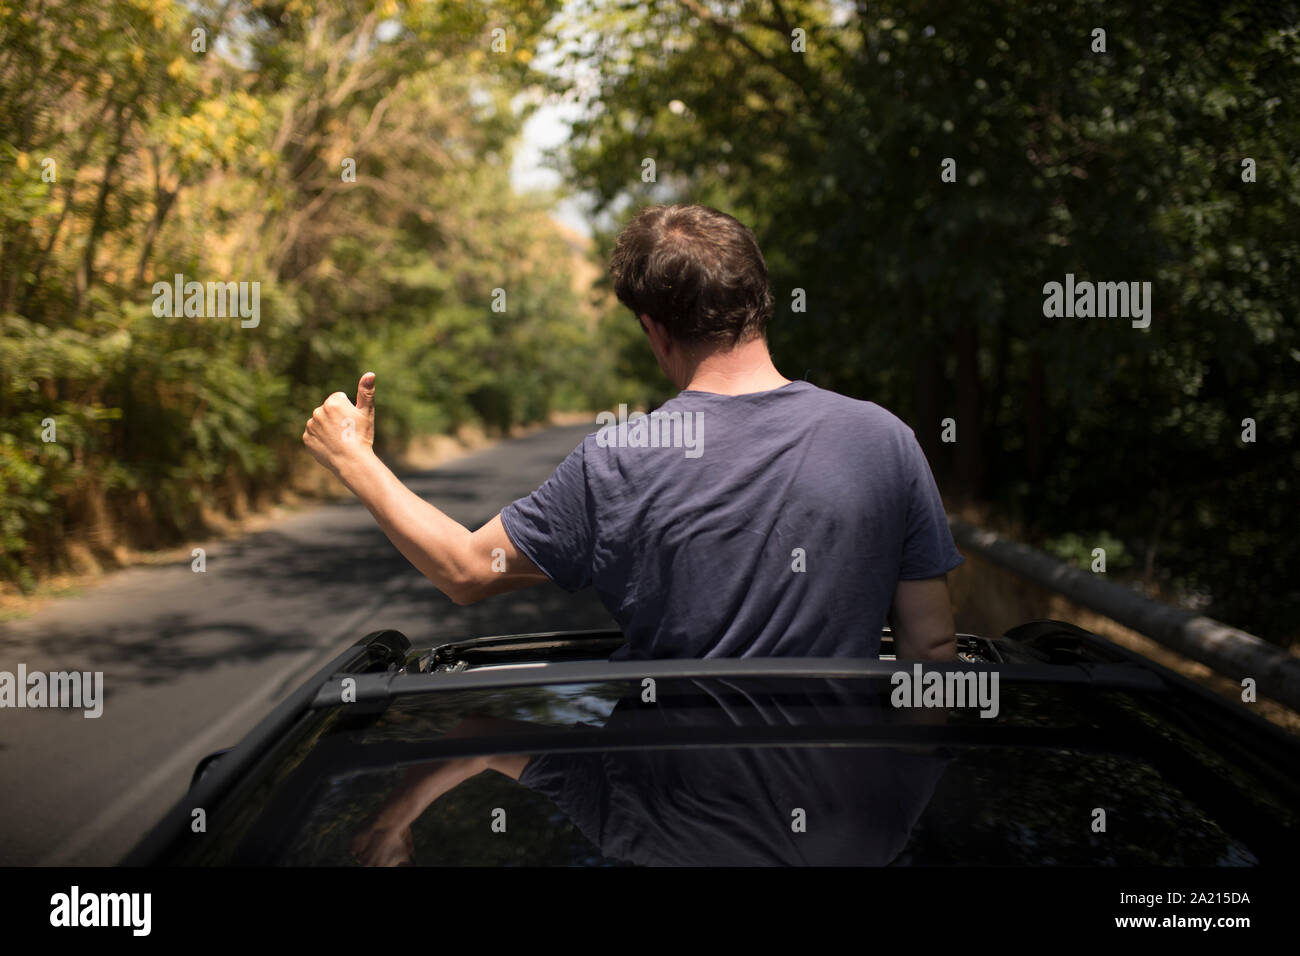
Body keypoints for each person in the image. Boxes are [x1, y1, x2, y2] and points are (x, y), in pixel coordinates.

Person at [303, 203, 962, 661]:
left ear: (653, 328)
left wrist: (353, 457)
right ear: (761, 298)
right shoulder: (885, 441)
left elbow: (466, 570)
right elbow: (931, 648)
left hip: (664, 820)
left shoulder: (618, 459)